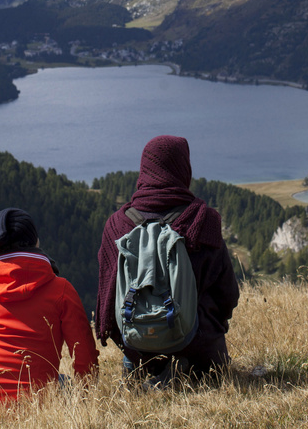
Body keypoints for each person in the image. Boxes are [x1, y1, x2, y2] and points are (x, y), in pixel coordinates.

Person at [96, 135, 240, 385]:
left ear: (145, 169)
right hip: (199, 346)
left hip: (137, 347)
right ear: (183, 168)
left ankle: (144, 368)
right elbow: (228, 294)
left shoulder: (117, 225)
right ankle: (185, 366)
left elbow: (107, 299)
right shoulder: (203, 220)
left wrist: (130, 343)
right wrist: (213, 330)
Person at [0, 208, 98, 415]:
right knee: (65, 383)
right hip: (38, 402)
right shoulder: (61, 290)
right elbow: (85, 355)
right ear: (35, 242)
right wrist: (85, 400)